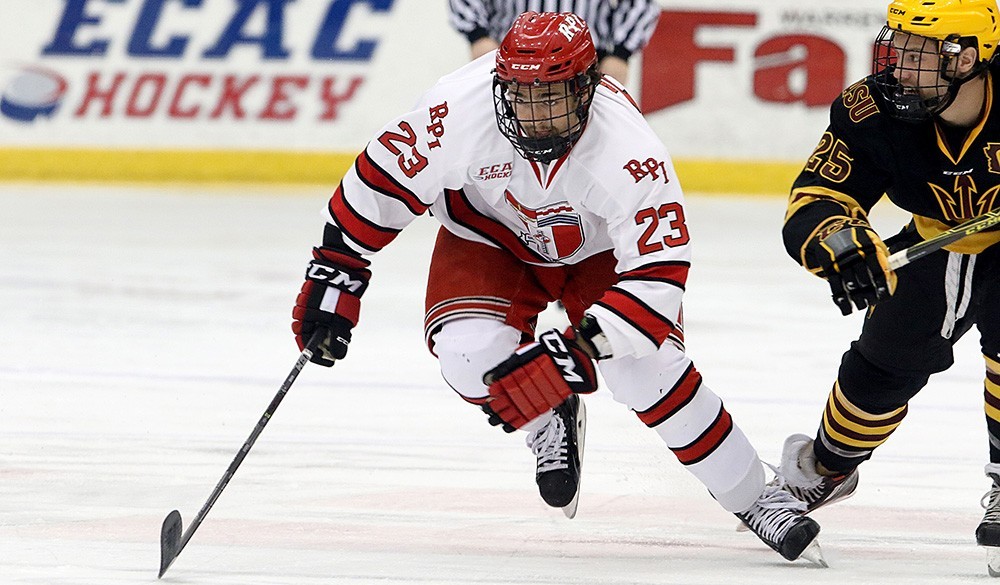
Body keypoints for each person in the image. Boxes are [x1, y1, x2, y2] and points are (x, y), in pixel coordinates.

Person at [292, 11, 822, 563]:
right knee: (466, 353)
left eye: (552, 97)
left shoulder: (629, 150)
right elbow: (379, 182)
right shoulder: (455, 110)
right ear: (500, 85)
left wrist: (575, 355)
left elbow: (659, 274)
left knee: (647, 372)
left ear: (587, 87)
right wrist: (336, 271)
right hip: (491, 234)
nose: (535, 114)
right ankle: (552, 418)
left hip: (601, 255)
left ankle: (757, 497)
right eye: (521, 94)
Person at [778, 0, 1000, 565]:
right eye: (896, 46)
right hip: (933, 238)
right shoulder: (871, 110)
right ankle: (827, 468)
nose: (897, 63)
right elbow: (819, 196)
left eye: (917, 53)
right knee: (879, 370)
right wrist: (840, 241)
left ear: (968, 57)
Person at [446, 0, 660, 85]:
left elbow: (641, 5)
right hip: (512, 62)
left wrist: (620, 53)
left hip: (583, 65)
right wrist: (478, 35)